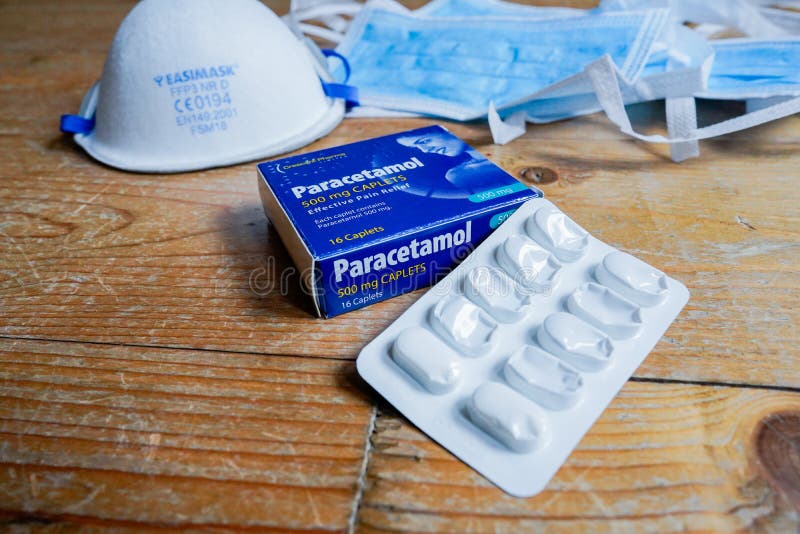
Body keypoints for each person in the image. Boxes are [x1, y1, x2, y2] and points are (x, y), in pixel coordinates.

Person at [396, 130, 508, 194]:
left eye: (425, 141)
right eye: (416, 147)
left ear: (448, 130)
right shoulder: (460, 174)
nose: (425, 150)